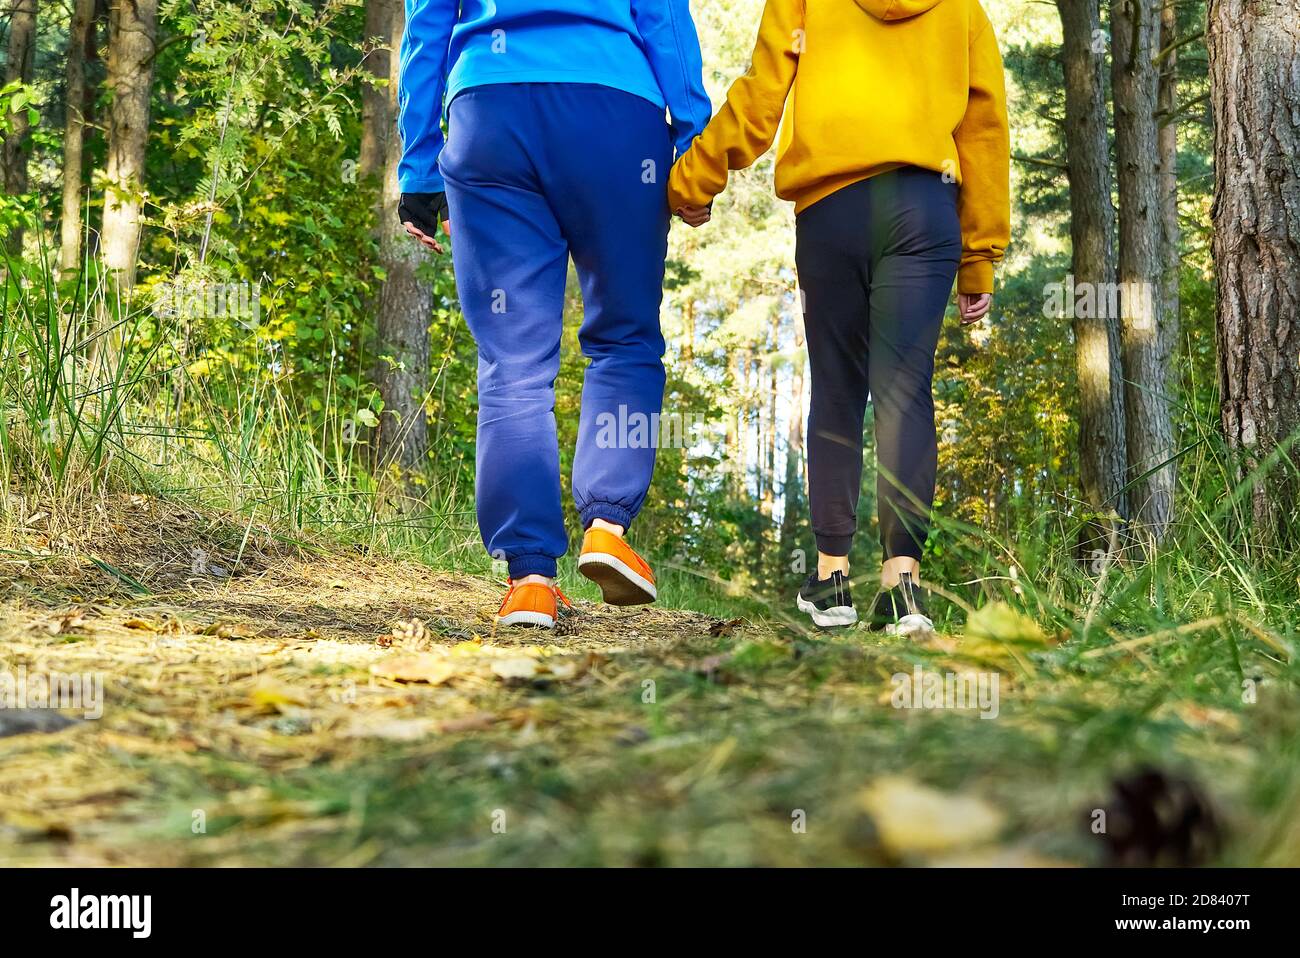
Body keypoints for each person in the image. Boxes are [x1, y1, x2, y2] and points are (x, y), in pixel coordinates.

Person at [668, 0, 1010, 632]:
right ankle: (902, 590)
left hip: (833, 210)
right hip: (922, 204)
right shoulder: (963, 8)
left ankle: (831, 581)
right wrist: (979, 255)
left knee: (837, 390)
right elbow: (984, 126)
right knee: (905, 394)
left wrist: (693, 177)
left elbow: (761, 96)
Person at [396, 1, 710, 629]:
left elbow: (427, 22)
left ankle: (530, 579)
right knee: (624, 338)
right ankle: (606, 526)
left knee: (512, 360)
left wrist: (419, 163)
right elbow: (664, 17)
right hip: (616, 111)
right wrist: (694, 137)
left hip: (491, 111)